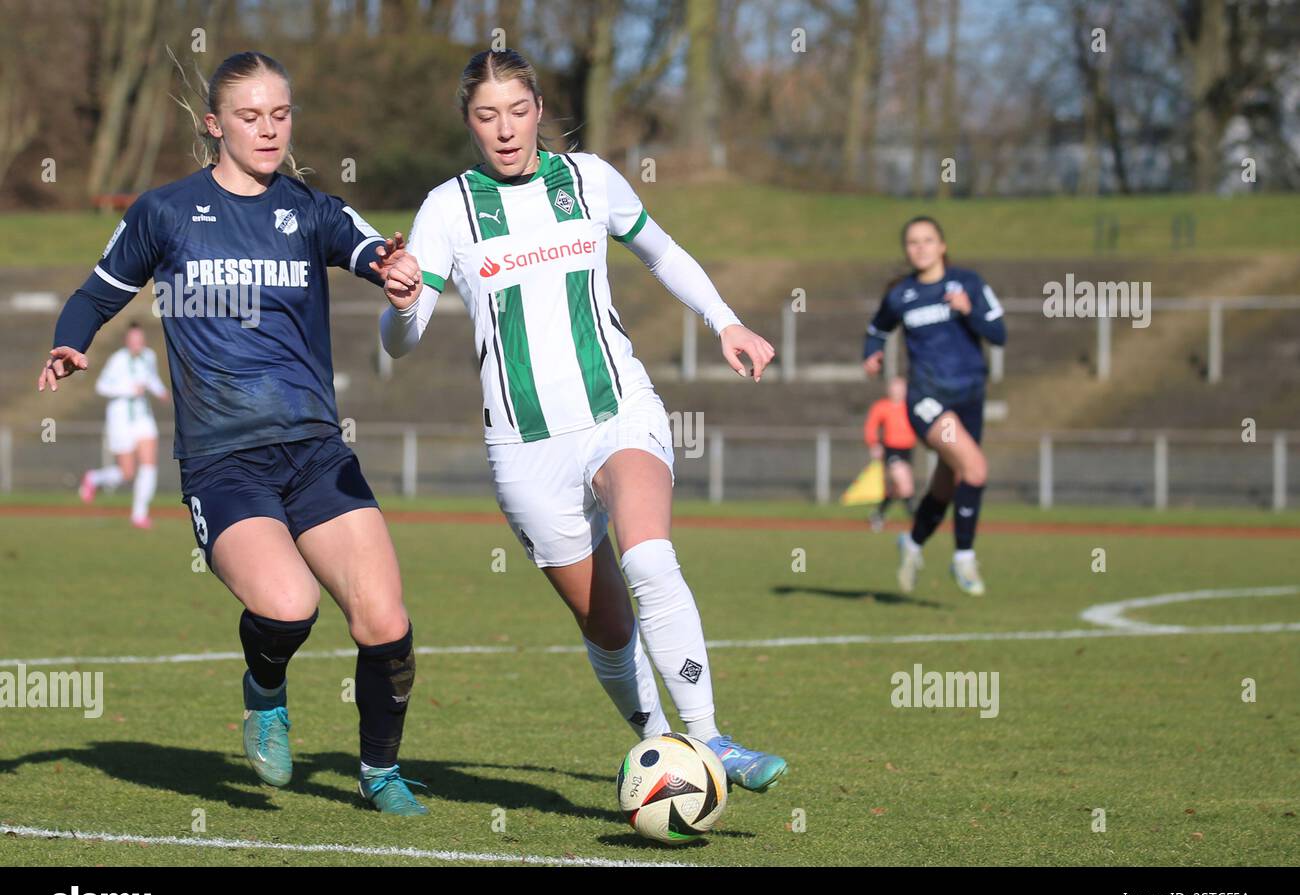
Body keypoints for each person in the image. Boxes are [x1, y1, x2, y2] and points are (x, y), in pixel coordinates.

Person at [380, 49, 787, 794]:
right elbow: (401, 343)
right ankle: (663, 748)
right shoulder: (448, 208)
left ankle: (711, 739)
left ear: (539, 108)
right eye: (485, 115)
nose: (504, 129)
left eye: (516, 110)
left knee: (649, 560)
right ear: (468, 123)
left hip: (618, 410)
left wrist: (725, 322)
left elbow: (661, 252)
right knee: (606, 625)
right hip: (525, 449)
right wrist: (401, 302)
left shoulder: (590, 178)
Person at [38, 51, 430, 814]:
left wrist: (395, 270)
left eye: (280, 115)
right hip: (224, 463)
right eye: (250, 117)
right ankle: (265, 690)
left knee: (386, 620)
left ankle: (379, 772)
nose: (269, 130)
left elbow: (371, 249)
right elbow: (95, 292)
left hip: (316, 451)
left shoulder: (310, 209)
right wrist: (69, 339)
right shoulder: (165, 212)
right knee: (288, 607)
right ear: (215, 125)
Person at [862, 216, 1006, 596]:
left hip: (970, 396)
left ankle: (911, 543)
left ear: (942, 245)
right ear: (907, 250)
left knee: (946, 484)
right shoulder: (902, 295)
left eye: (928, 240)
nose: (920, 247)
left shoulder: (968, 283)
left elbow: (999, 333)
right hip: (926, 398)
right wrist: (872, 353)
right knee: (974, 469)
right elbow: (877, 328)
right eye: (913, 242)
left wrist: (967, 310)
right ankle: (964, 558)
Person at [79, 321, 170, 528]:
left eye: (140, 339)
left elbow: (152, 379)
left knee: (149, 464)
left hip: (143, 417)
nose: (137, 343)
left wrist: (161, 391)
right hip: (120, 421)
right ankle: (94, 478)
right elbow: (101, 387)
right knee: (127, 473)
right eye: (133, 339)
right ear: (127, 341)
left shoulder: (149, 356)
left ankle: (139, 514)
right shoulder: (117, 360)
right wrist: (128, 389)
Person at [863, 375, 917, 532]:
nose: (898, 391)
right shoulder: (882, 406)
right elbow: (871, 426)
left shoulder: (910, 406)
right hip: (891, 449)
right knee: (905, 482)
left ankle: (878, 514)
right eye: (895, 387)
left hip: (908, 449)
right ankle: (916, 518)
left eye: (901, 387)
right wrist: (874, 445)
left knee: (897, 488)